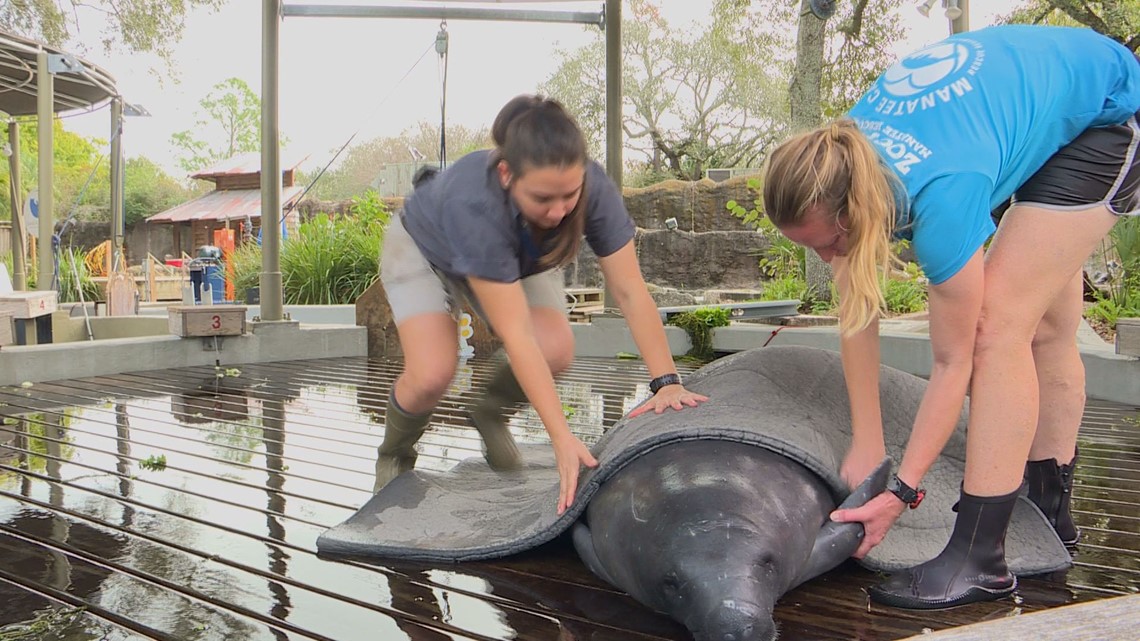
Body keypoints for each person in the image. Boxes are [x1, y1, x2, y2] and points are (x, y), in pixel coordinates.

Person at [761, 25, 1140, 609]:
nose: (825, 258)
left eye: (829, 243)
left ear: (856, 212)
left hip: (1105, 117)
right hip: (1043, 104)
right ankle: (1049, 521)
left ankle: (979, 559)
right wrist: (869, 441)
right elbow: (857, 303)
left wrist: (902, 490)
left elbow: (952, 361)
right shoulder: (839, 160)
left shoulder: (943, 195)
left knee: (996, 326)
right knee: (1047, 331)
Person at [376, 94, 707, 514]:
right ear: (505, 174)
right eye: (543, 199)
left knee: (555, 346)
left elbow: (629, 290)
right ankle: (394, 453)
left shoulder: (592, 188)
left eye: (569, 195)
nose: (558, 212)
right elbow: (515, 334)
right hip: (423, 248)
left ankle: (488, 410)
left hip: (515, 253)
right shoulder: (473, 204)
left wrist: (667, 382)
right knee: (431, 374)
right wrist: (561, 437)